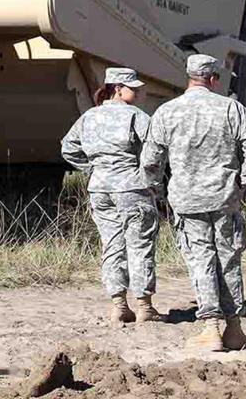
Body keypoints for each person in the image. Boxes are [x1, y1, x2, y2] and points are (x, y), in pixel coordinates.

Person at [143, 54, 246, 352]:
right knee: (229, 260)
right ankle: (234, 329)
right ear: (214, 79)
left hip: (186, 200)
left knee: (201, 261)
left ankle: (211, 328)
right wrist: (242, 183)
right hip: (225, 198)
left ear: (188, 76)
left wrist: (158, 192)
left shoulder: (167, 112)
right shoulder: (231, 109)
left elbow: (150, 161)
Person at [61, 66, 163, 327]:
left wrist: (93, 168)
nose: (139, 93)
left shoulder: (89, 117)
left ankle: (119, 306)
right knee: (139, 245)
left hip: (99, 190)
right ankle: (144, 307)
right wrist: (151, 181)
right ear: (118, 88)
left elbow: (68, 148)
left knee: (112, 245)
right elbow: (154, 153)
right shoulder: (136, 117)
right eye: (133, 88)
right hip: (131, 188)